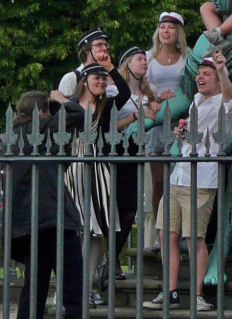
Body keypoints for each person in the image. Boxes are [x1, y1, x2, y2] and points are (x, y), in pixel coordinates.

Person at [144, 51, 232, 312]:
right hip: (179, 175)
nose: (200, 77)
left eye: (207, 74)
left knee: (193, 239)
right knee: (166, 235)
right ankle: (170, 291)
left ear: (218, 81)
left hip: (202, 179)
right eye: (199, 73)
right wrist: (182, 133)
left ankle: (197, 296)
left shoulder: (224, 102)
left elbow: (231, 97)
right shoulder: (196, 100)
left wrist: (222, 69)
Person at [9, 90, 85, 319]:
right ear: (40, 112)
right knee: (73, 285)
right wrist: (60, 100)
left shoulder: (11, 137)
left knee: (34, 288)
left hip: (27, 221)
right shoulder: (43, 130)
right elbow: (77, 112)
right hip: (53, 216)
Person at [66, 61, 132, 306]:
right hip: (74, 171)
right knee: (74, 230)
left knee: (95, 230)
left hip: (98, 171)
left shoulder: (106, 106)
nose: (102, 82)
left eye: (105, 79)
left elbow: (124, 91)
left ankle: (87, 285)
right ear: (84, 81)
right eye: (97, 78)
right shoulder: (69, 106)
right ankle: (68, 285)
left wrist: (111, 67)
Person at [101, 47, 160, 290]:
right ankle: (108, 261)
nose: (144, 62)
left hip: (136, 152)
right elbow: (106, 123)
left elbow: (152, 120)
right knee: (110, 208)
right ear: (127, 64)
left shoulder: (148, 92)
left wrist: (157, 106)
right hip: (114, 152)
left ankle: (113, 257)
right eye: (139, 59)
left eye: (145, 59)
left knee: (129, 212)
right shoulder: (114, 90)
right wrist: (136, 116)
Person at [146, 12, 190, 253]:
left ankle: (179, 232)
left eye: (170, 28)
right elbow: (143, 89)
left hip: (180, 122)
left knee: (180, 180)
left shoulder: (187, 57)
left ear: (178, 32)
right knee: (159, 182)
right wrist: (154, 99)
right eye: (162, 27)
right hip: (157, 125)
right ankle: (157, 233)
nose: (165, 31)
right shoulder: (149, 58)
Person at [58, 29, 118, 99]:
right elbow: (63, 108)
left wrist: (109, 67)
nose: (104, 48)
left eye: (105, 45)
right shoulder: (71, 78)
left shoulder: (107, 78)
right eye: (99, 45)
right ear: (86, 50)